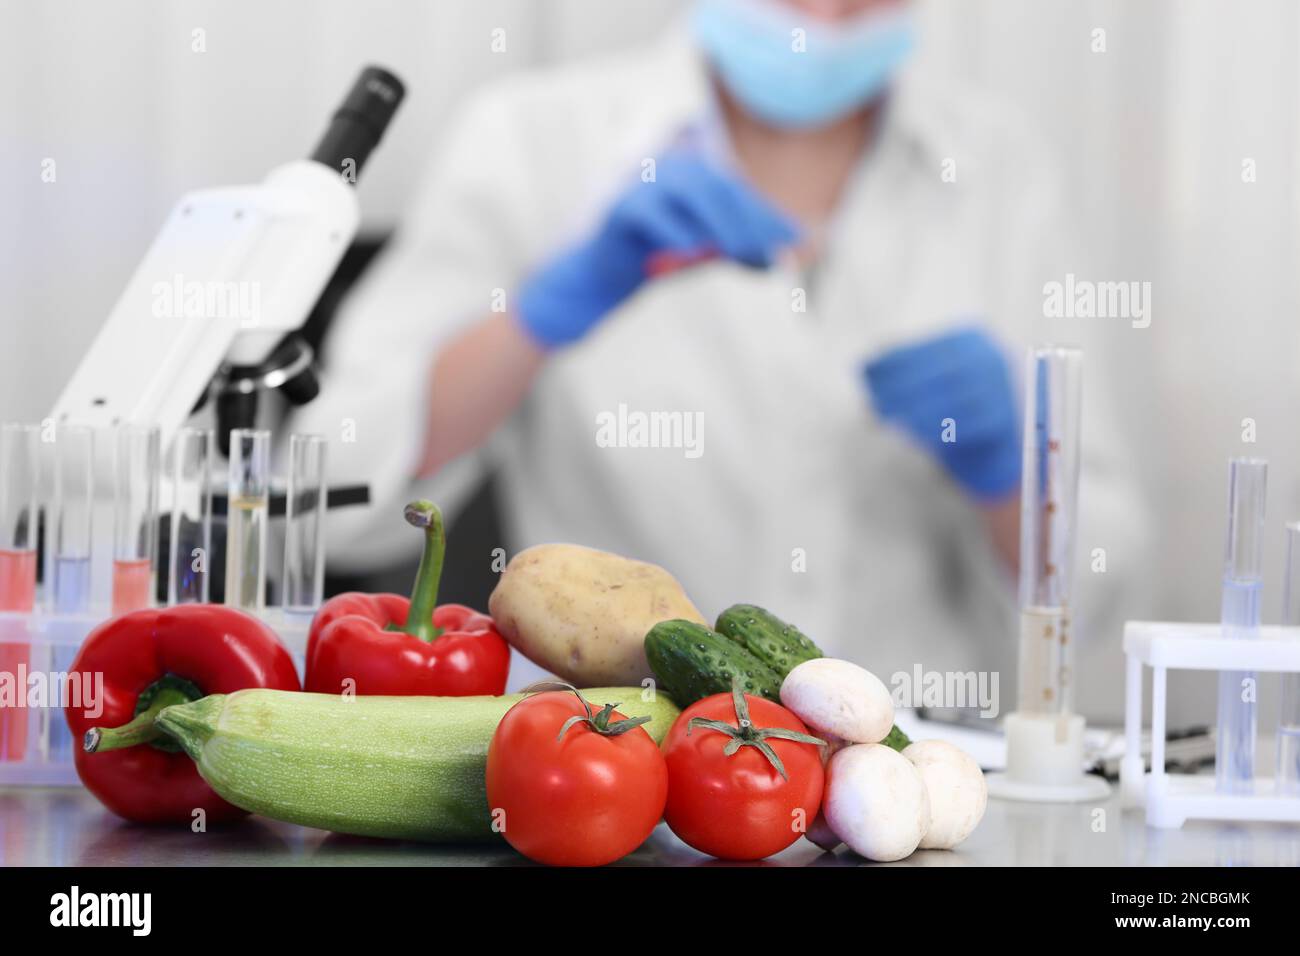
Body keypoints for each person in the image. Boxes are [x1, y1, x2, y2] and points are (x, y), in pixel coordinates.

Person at [291, 0, 1141, 704]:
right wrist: (540, 316)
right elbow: (330, 496)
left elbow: (1093, 590)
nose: (824, 15)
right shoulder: (532, 140)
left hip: (920, 774)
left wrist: (1011, 476)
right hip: (620, 775)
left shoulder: (1002, 167)